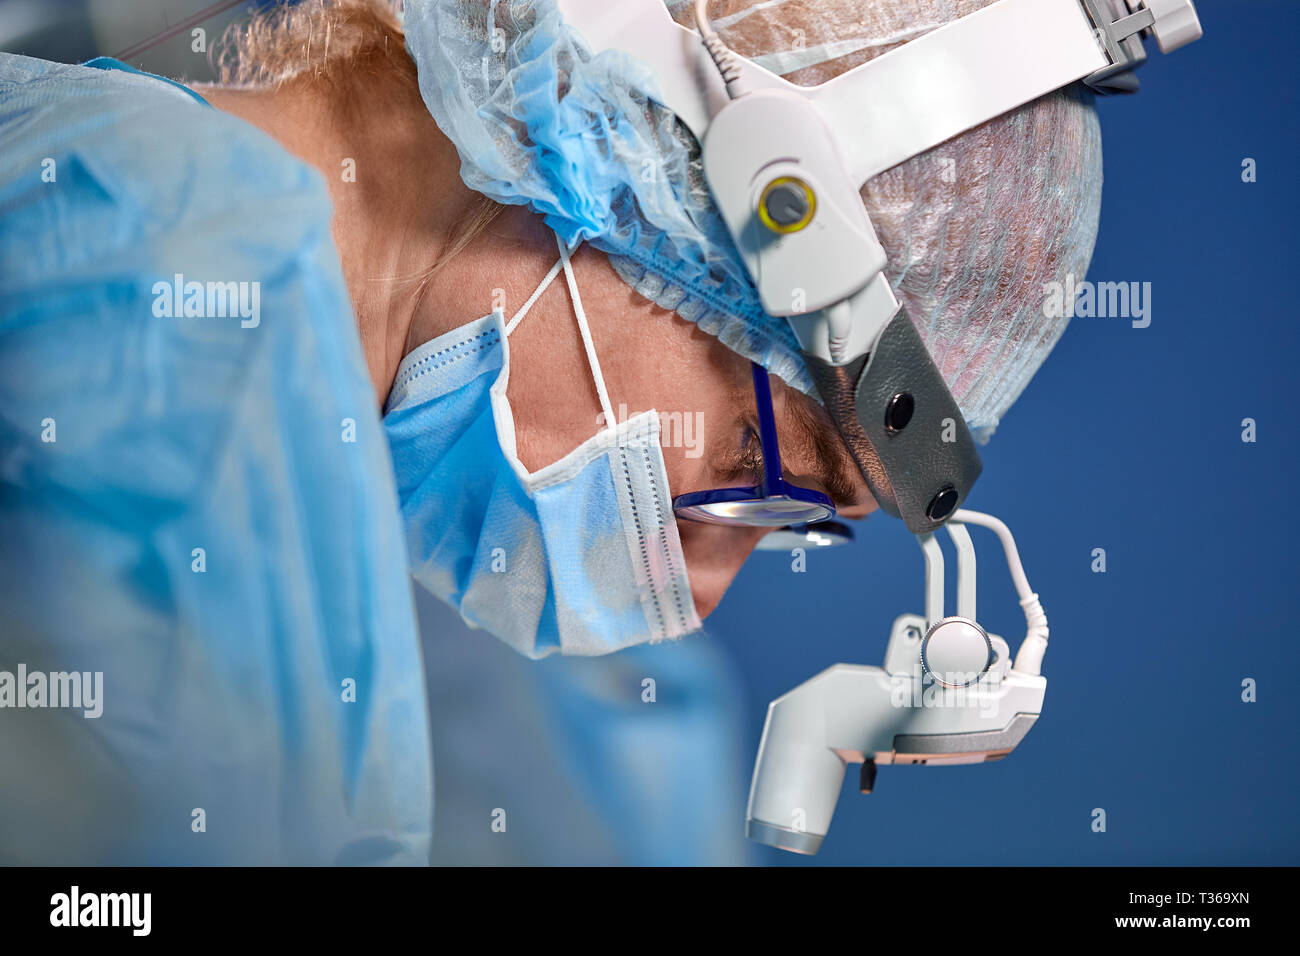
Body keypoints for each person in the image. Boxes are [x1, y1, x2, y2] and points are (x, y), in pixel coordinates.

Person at [0, 0, 1101, 863]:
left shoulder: (235, 346)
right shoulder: (163, 302)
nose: (702, 595)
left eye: (789, 528)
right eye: (763, 472)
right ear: (631, 164)